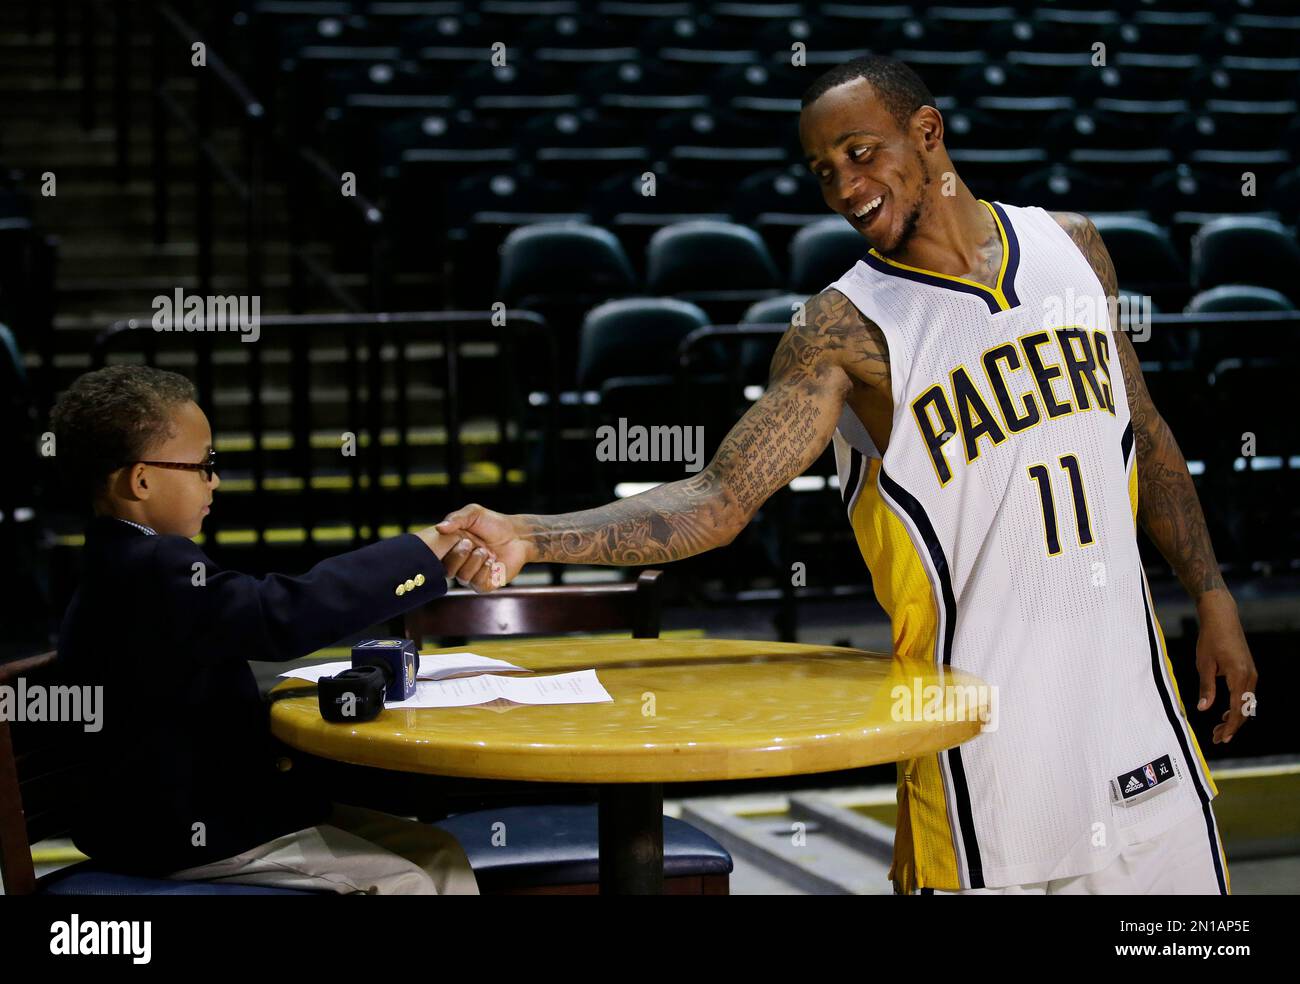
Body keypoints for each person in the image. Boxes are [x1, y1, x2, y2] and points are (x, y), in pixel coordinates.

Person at [435, 55, 1258, 895]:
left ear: (927, 132)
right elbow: (719, 499)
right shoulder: (842, 328)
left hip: (1138, 724)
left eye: (862, 153)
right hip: (983, 760)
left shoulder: (1074, 247)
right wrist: (530, 534)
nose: (845, 187)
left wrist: (1215, 597)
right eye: (825, 171)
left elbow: (1146, 433)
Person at [51, 364, 498, 894]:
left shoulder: (124, 559)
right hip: (182, 832)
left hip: (215, 809)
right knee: (404, 882)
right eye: (203, 464)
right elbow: (280, 617)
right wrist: (419, 551)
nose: (213, 479)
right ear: (141, 479)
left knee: (436, 852)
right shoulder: (149, 565)